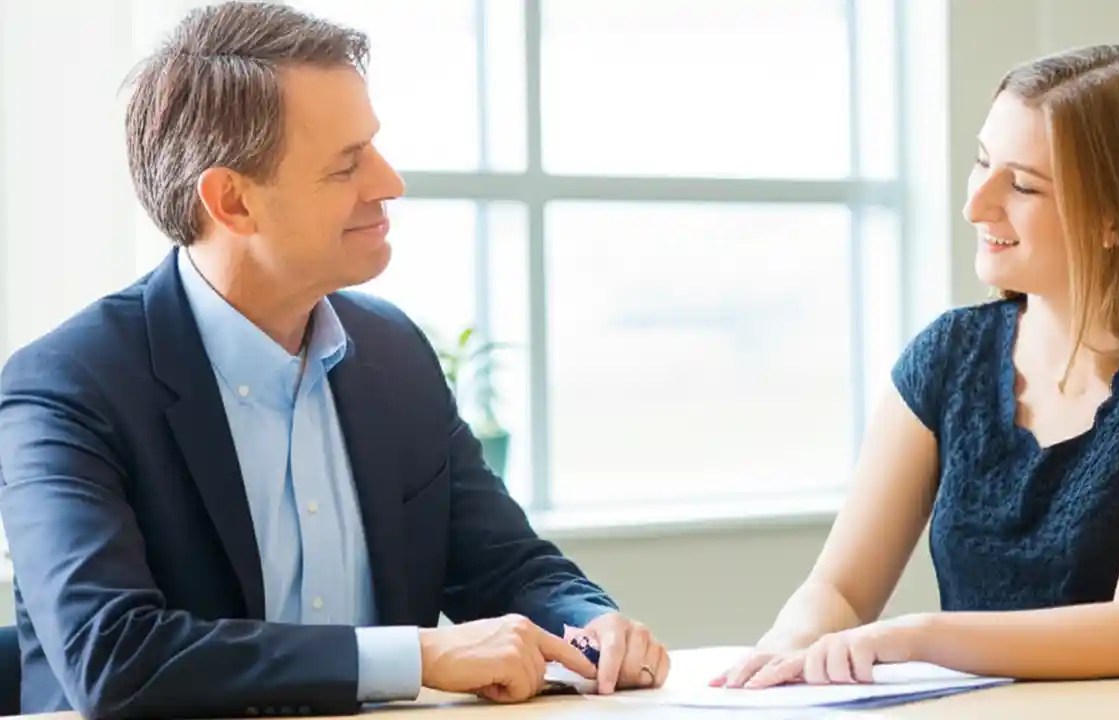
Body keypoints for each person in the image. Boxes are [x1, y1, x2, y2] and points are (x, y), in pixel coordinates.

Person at [0, 3, 668, 717]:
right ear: (232, 200)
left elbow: (504, 563)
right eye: (347, 164)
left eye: (372, 148)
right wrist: (419, 655)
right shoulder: (66, 387)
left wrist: (588, 621)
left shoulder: (394, 354)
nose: (389, 183)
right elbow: (113, 657)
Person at [715, 44, 1119, 689]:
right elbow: (839, 589)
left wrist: (918, 637)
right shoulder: (947, 355)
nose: (976, 205)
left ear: (1115, 218)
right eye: (982, 163)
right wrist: (785, 648)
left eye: (1023, 184)